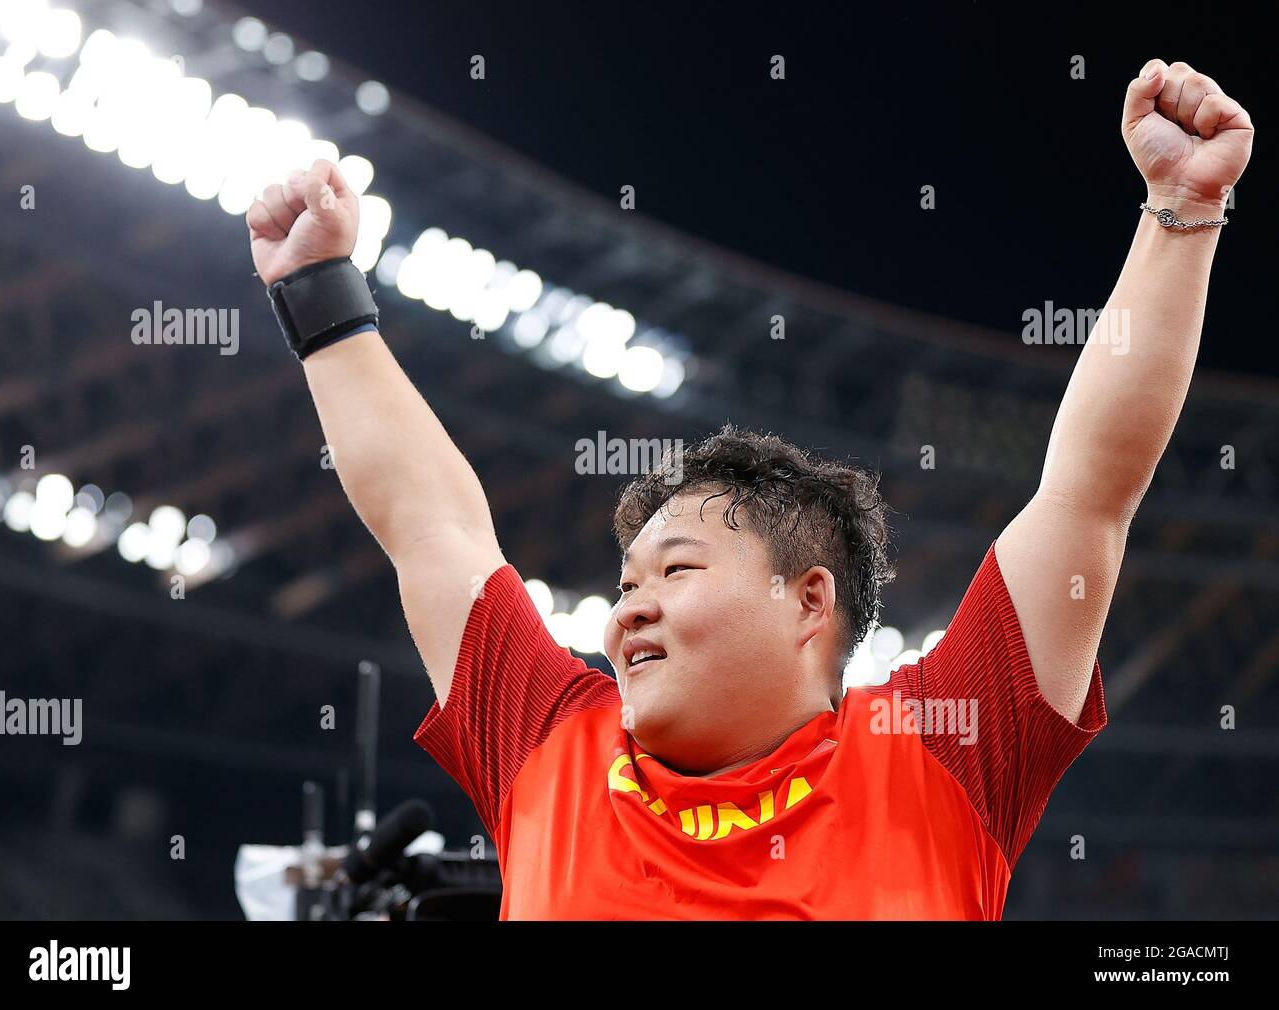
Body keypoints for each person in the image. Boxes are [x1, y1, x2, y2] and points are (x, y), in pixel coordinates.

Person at [245, 58, 1253, 918]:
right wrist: (320, 293)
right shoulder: (549, 739)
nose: (624, 609)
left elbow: (1089, 490)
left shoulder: (943, 754)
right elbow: (429, 521)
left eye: (673, 568)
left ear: (808, 597)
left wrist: (1181, 212)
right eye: (627, 579)